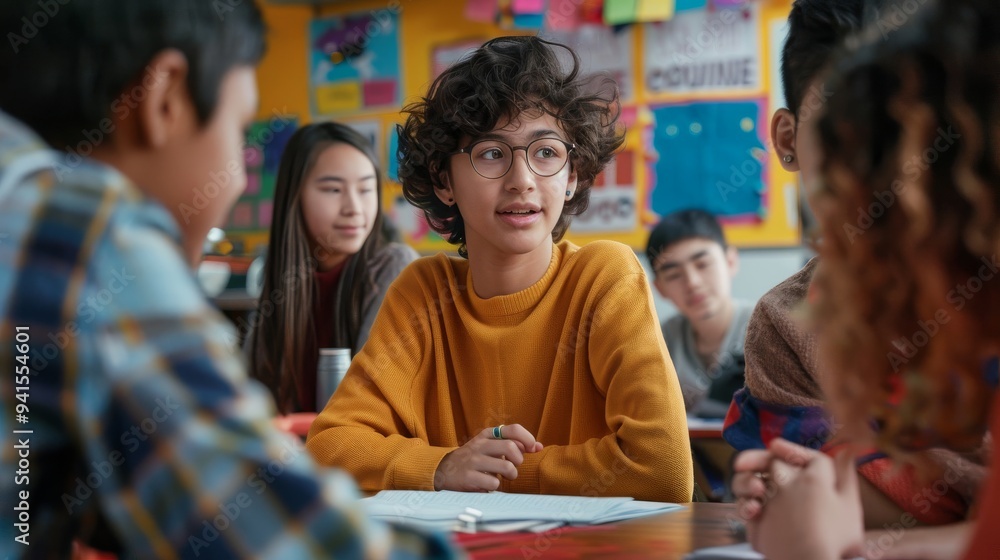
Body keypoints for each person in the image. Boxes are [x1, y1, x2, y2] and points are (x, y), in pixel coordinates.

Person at [0, 1, 452, 558]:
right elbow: (279, 535)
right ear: (163, 100)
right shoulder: (93, 234)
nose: (237, 179)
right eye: (239, 132)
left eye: (365, 189)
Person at [306, 36, 694, 502]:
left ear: (571, 176)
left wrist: (497, 474)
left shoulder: (604, 277)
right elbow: (329, 448)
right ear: (444, 180)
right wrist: (443, 467)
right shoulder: (424, 293)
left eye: (546, 152)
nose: (522, 180)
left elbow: (663, 471)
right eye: (491, 153)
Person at [730, 0, 999, 558]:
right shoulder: (789, 321)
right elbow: (795, 491)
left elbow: (824, 506)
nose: (891, 181)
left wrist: (835, 532)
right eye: (846, 137)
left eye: (923, 140)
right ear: (790, 140)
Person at [246, 122, 417, 413]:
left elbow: (365, 405)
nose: (354, 208)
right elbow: (254, 397)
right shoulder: (278, 277)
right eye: (334, 189)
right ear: (294, 196)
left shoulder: (394, 267)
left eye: (366, 189)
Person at [646, 209, 753, 418]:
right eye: (674, 275)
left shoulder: (768, 327)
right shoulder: (662, 340)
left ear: (730, 261)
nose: (692, 283)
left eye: (702, 264)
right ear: (659, 288)